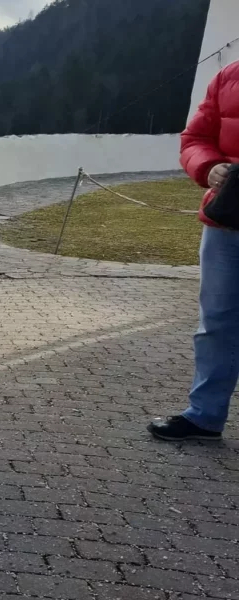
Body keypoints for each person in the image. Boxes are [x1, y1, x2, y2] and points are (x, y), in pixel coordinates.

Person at [148, 61, 239, 442]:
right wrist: (210, 167)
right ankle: (204, 416)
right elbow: (195, 139)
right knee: (216, 323)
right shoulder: (229, 76)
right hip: (228, 220)